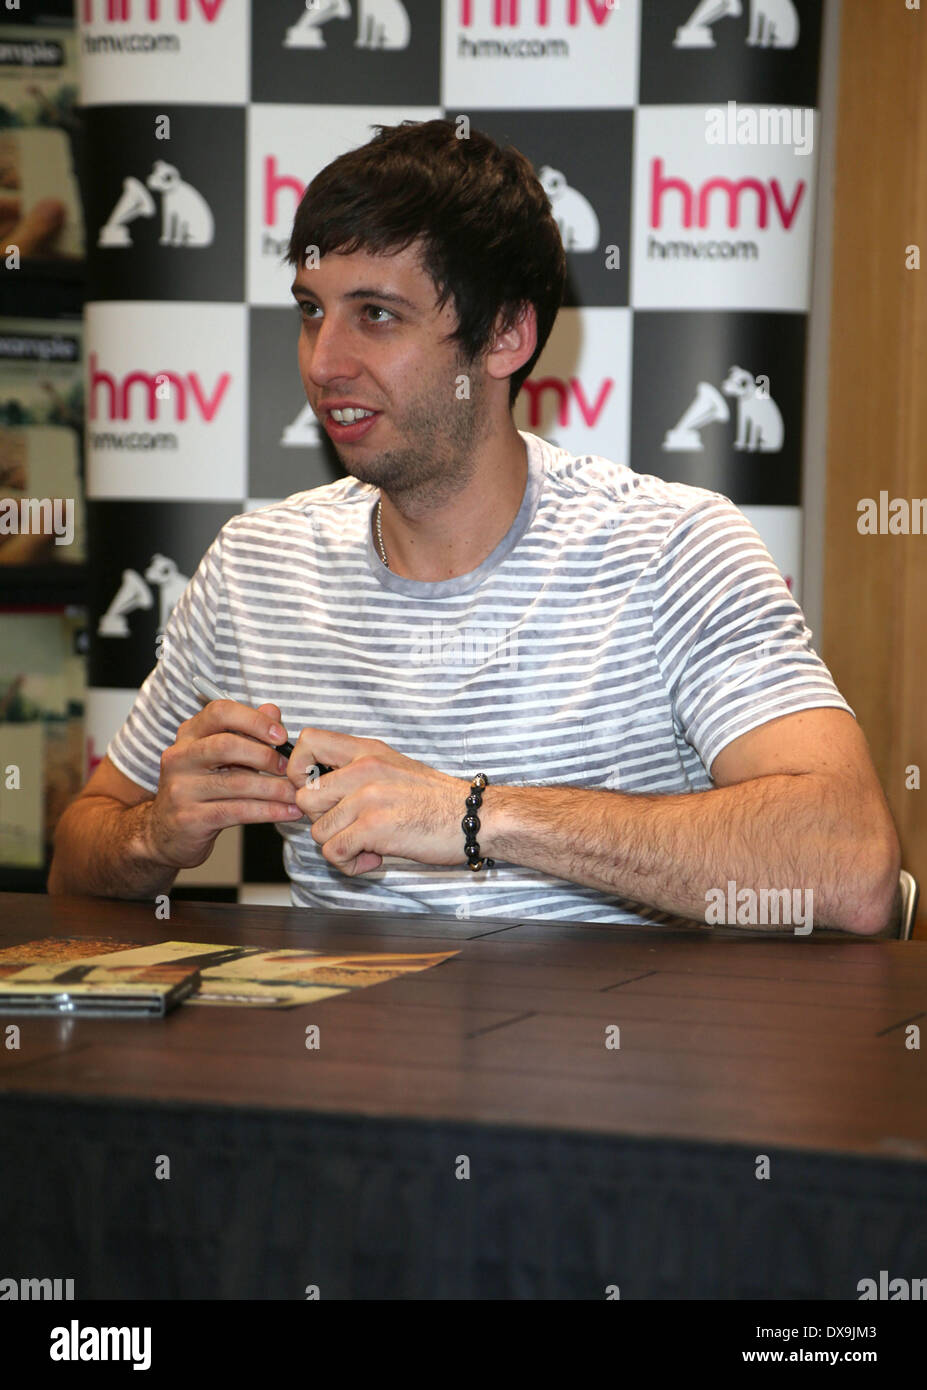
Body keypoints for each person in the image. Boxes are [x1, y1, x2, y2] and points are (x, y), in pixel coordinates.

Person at [49, 119, 901, 932]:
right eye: (312, 310)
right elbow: (79, 856)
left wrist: (471, 813)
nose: (324, 363)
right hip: (337, 1070)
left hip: (613, 1071)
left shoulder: (671, 549)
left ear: (504, 336)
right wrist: (153, 835)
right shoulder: (256, 565)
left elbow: (851, 866)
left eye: (376, 315)